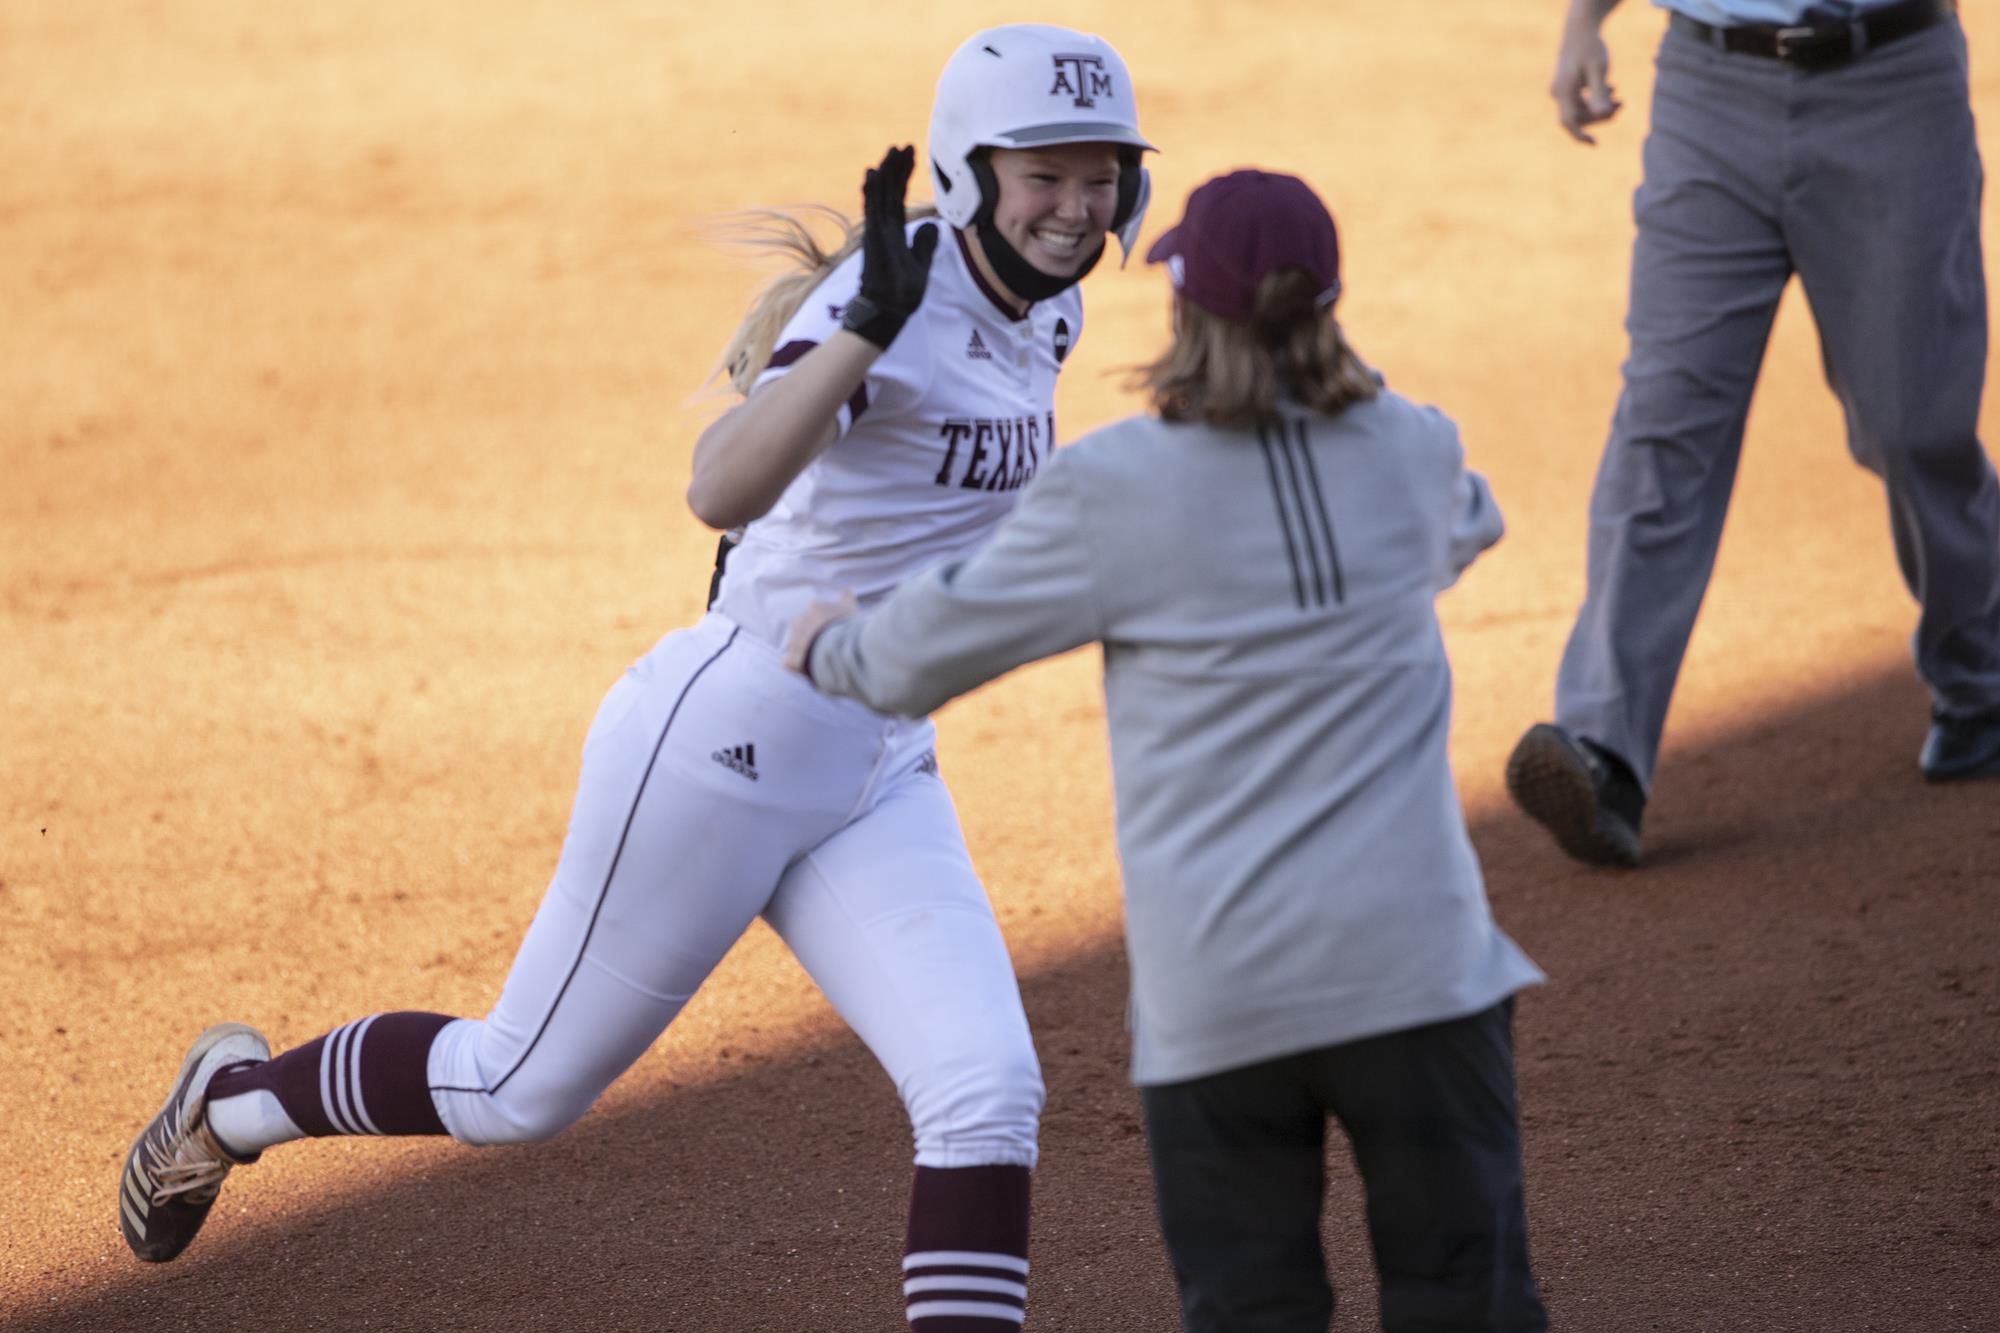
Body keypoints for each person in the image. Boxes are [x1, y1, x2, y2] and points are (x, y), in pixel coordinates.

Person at [117, 24, 1155, 1331]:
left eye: (1099, 173)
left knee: (987, 1089)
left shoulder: (1048, 306)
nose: (1075, 206)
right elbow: (716, 487)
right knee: (516, 1088)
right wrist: (864, 334)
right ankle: (230, 1104)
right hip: (724, 744)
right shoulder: (877, 311)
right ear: (970, 168)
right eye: (1044, 174)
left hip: (880, 762)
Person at [787, 169, 1549, 1333]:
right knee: (1469, 1303)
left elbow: (909, 661)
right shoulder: (1410, 452)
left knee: (1252, 1310)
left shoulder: (1113, 487)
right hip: (1424, 983)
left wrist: (829, 645)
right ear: (1328, 304)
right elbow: (1469, 517)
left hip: (1223, 1000)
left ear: (1184, 310)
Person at [1508, 0, 2000, 870]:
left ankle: (1980, 670)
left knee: (1912, 426)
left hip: (1895, 79)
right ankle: (1605, 748)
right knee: (1665, 417)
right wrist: (1584, 23)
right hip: (1709, 86)